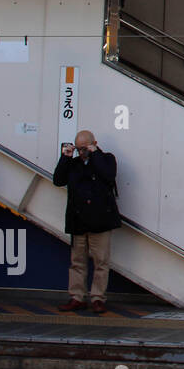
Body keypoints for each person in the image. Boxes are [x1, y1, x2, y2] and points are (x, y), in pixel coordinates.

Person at [53, 130, 120, 313]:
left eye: (85, 148)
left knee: (101, 261)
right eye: (79, 149)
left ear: (94, 143)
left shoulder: (106, 159)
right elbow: (58, 180)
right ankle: (77, 297)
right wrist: (65, 157)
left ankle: (98, 298)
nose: (81, 152)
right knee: (77, 262)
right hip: (79, 219)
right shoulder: (73, 164)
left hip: (101, 220)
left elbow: (108, 176)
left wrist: (95, 153)